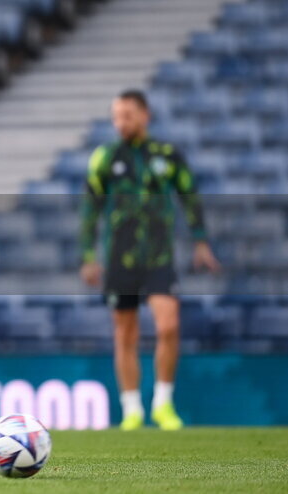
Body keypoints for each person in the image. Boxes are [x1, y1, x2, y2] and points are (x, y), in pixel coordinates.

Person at [79, 89, 220, 431]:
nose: (120, 123)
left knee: (168, 325)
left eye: (127, 115)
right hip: (119, 259)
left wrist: (201, 240)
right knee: (125, 333)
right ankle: (131, 410)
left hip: (158, 256)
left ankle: (162, 404)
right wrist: (88, 256)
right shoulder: (104, 157)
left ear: (145, 115)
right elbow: (90, 209)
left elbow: (189, 195)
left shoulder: (167, 155)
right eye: (116, 117)